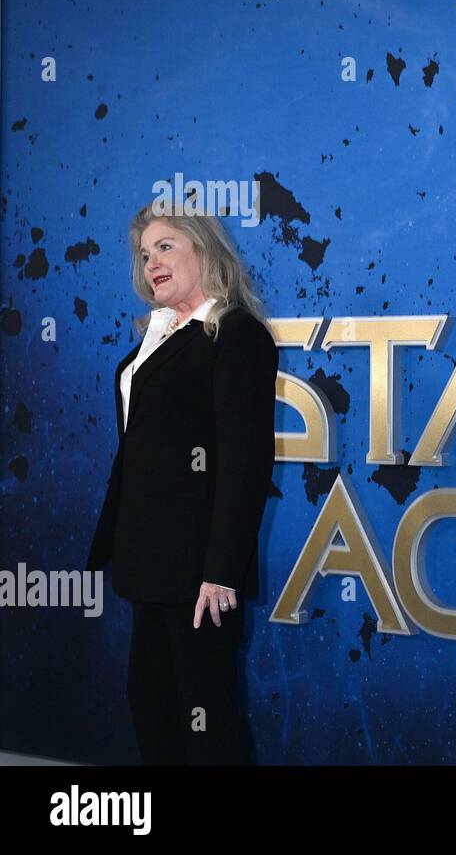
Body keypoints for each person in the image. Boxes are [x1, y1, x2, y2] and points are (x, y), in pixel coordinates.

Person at [87, 202, 279, 765]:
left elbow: (245, 464)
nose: (152, 263)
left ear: (205, 250)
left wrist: (220, 570)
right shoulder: (157, 340)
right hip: (147, 564)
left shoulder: (237, 335)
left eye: (166, 246)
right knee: (152, 710)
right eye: (145, 255)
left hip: (200, 572)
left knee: (206, 721)